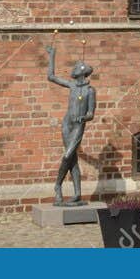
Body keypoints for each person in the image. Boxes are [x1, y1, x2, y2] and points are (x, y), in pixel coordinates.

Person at [46, 49, 96, 207]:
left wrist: (84, 117)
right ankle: (77, 194)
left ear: (81, 72)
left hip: (78, 125)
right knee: (72, 159)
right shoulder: (72, 85)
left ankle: (57, 185)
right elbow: (51, 77)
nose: (72, 70)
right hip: (67, 124)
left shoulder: (90, 91)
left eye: (75, 68)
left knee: (67, 156)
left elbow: (91, 113)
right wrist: (52, 55)